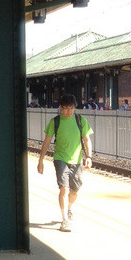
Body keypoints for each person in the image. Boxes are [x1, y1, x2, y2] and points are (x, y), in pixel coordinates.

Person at [37, 94, 93, 232]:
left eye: (71, 108)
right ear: (61, 107)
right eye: (66, 108)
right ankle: (64, 220)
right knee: (63, 188)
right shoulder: (55, 122)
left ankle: (69, 209)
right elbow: (47, 141)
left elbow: (87, 140)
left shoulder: (80, 121)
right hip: (60, 158)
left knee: (74, 191)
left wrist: (89, 157)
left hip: (77, 161)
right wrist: (41, 160)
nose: (69, 111)